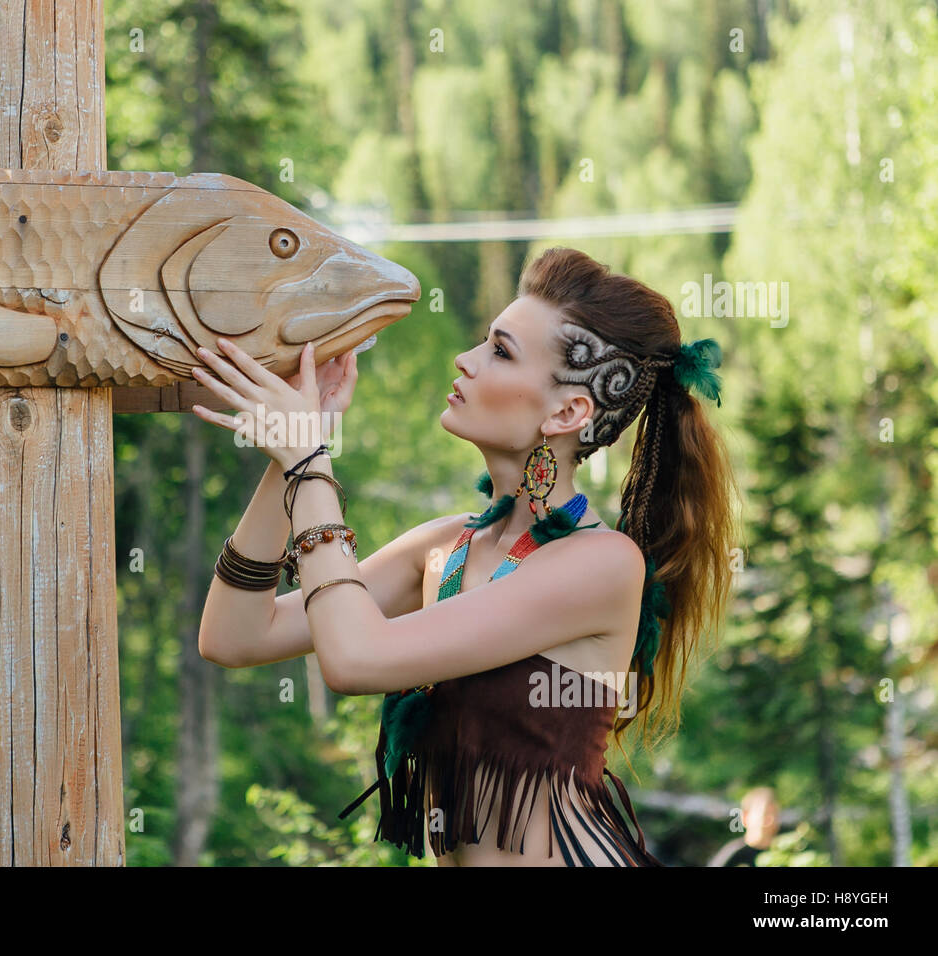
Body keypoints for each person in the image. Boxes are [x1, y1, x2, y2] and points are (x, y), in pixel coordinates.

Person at [192, 245, 739, 866]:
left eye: (500, 352)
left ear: (568, 411)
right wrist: (287, 457)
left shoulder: (602, 564)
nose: (466, 360)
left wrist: (309, 463)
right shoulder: (445, 546)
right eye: (484, 341)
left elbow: (355, 659)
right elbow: (234, 636)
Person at [708, 787, 782, 866]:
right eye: (765, 814)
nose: (771, 821)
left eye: (775, 814)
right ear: (745, 817)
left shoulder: (782, 855)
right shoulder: (734, 855)